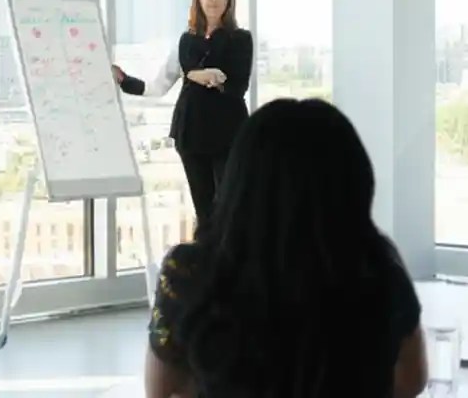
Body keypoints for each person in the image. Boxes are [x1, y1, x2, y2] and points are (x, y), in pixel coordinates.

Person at [143, 98, 428, 398]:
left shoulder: (190, 273)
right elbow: (411, 381)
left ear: (239, 181)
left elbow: (160, 389)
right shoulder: (376, 271)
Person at [113, 0, 252, 226]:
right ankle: (207, 262)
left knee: (230, 208)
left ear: (229, 1)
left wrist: (204, 75)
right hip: (191, 131)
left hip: (229, 133)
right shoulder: (186, 41)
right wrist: (125, 81)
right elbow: (158, 85)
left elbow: (238, 86)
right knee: (204, 210)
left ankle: (231, 262)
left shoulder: (240, 39)